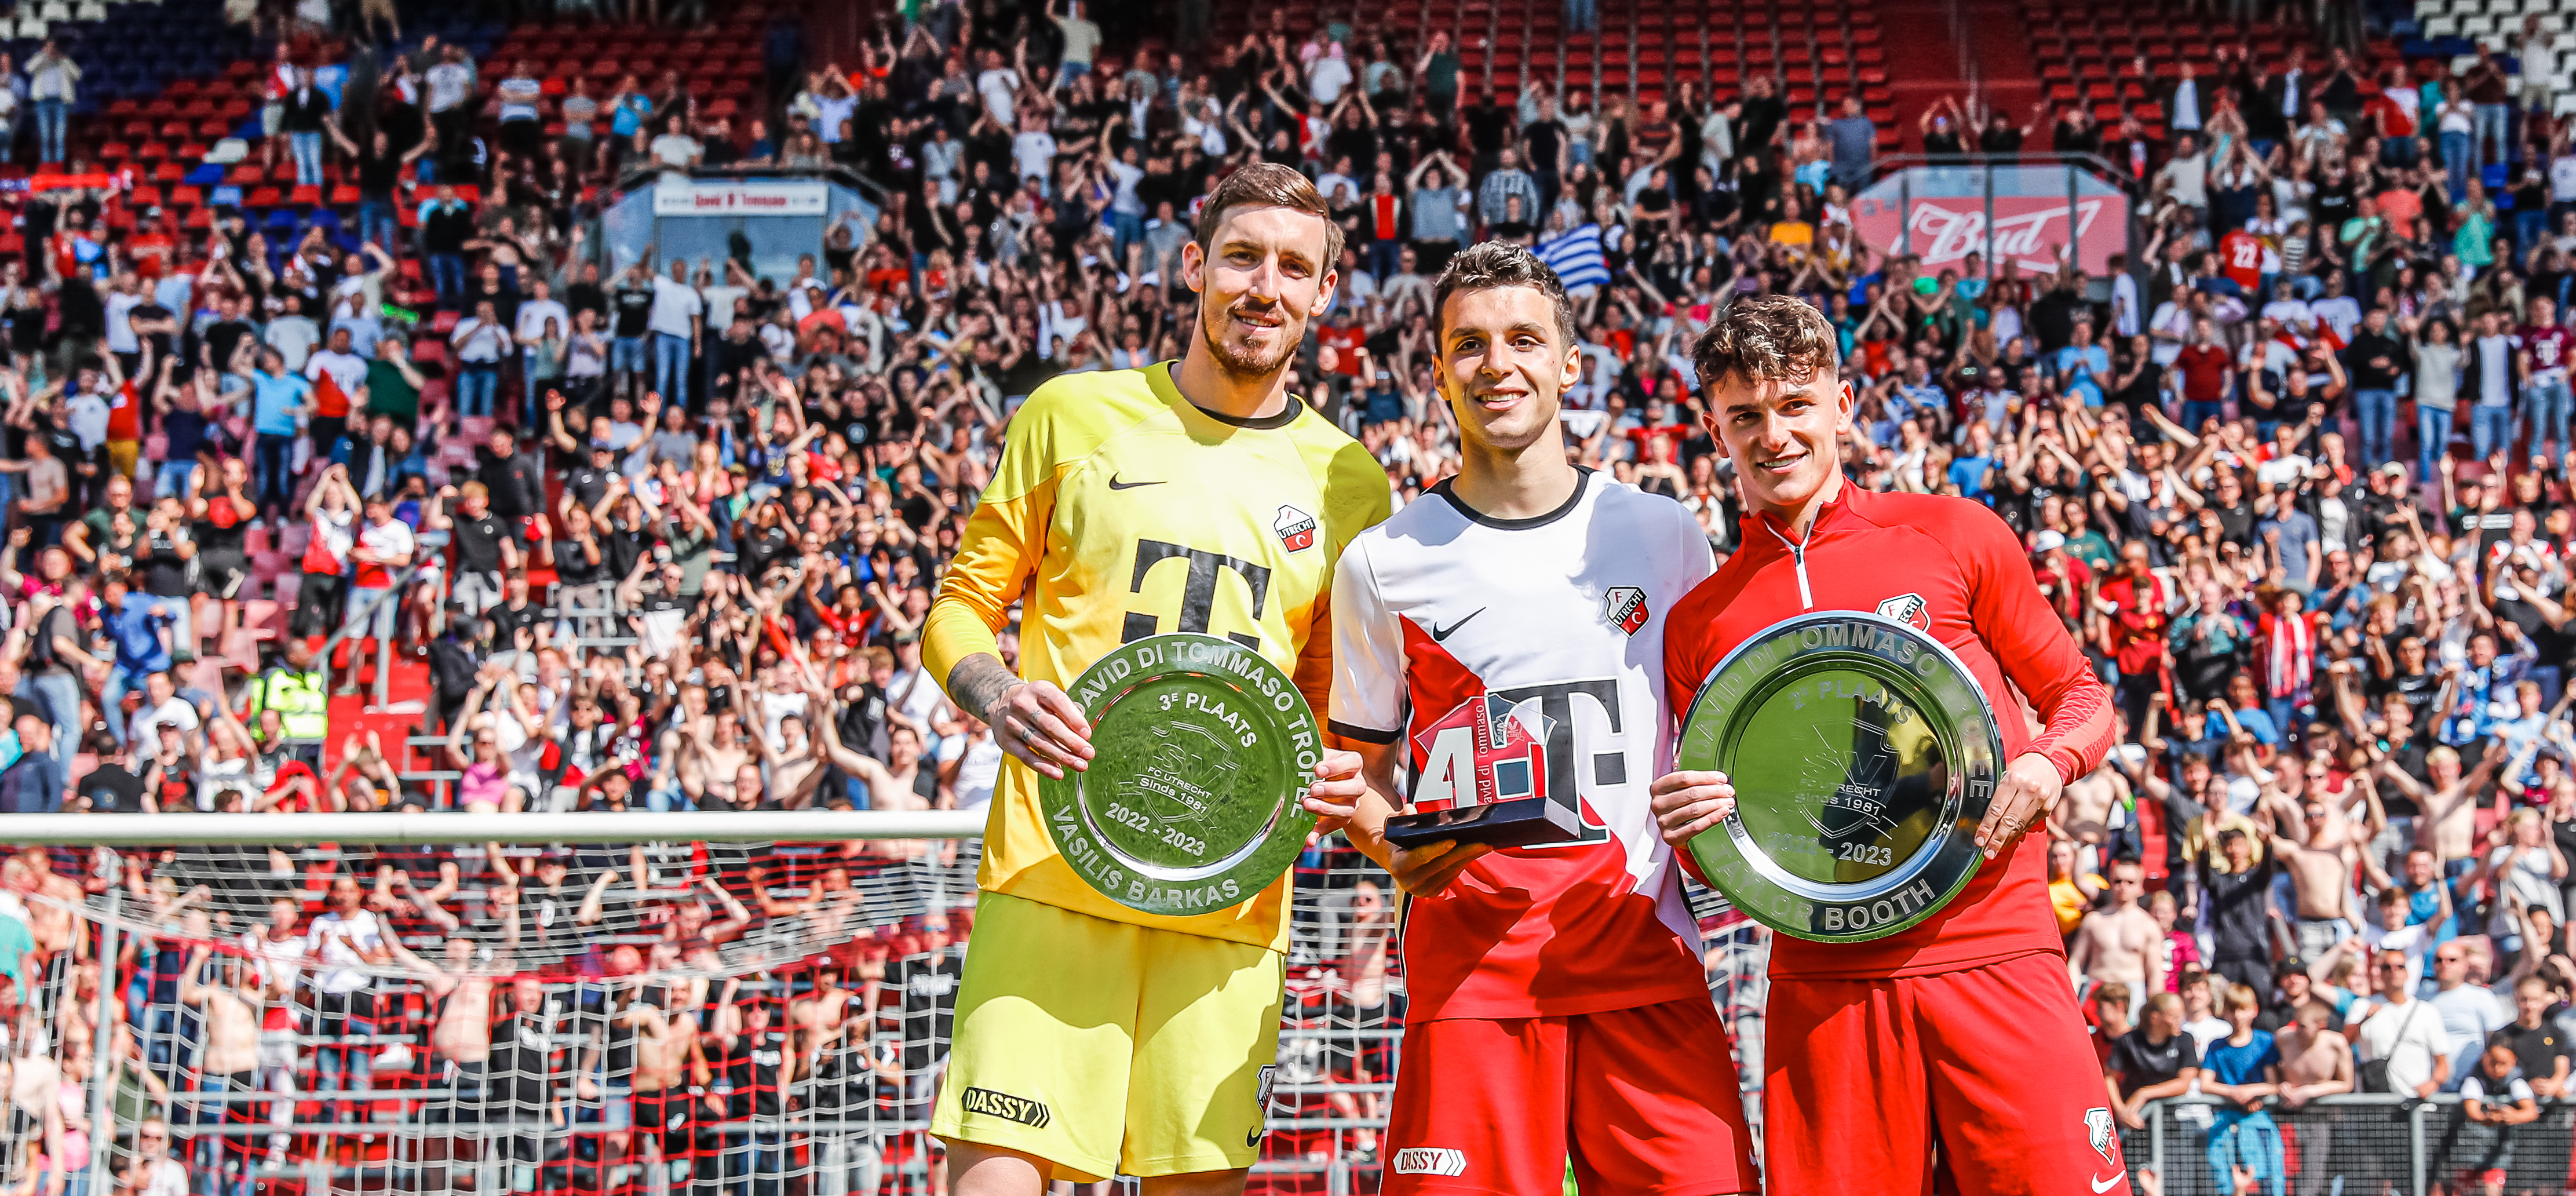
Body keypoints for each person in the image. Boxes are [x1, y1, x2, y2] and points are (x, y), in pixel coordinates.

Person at [920, 162, 1391, 1192]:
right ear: (1192, 267)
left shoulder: (1349, 481)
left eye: (1293, 267)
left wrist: (1340, 773)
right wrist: (998, 696)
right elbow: (958, 608)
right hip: (1051, 874)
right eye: (1241, 258)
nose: (1264, 286)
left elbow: (1332, 705)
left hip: (1228, 904)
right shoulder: (1070, 416)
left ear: (1324, 292)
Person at [1309, 240, 1756, 1193]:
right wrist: (1390, 845)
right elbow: (1363, 775)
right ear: (1436, 373)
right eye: (1467, 345)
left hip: (1645, 958)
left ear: (1569, 364)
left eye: (1523, 339)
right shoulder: (1383, 562)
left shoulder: (1663, 533)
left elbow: (1723, 732)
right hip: (1473, 977)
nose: (1496, 365)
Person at [1648, 294, 2118, 1194]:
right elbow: (1728, 848)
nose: (1773, 436)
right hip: (1826, 980)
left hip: (1994, 945)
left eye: (1795, 405)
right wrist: (1691, 826)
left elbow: (2082, 697)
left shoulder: (1952, 532)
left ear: (1843, 405)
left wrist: (2044, 761)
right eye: (1745, 416)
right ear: (1714, 431)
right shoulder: (1699, 621)